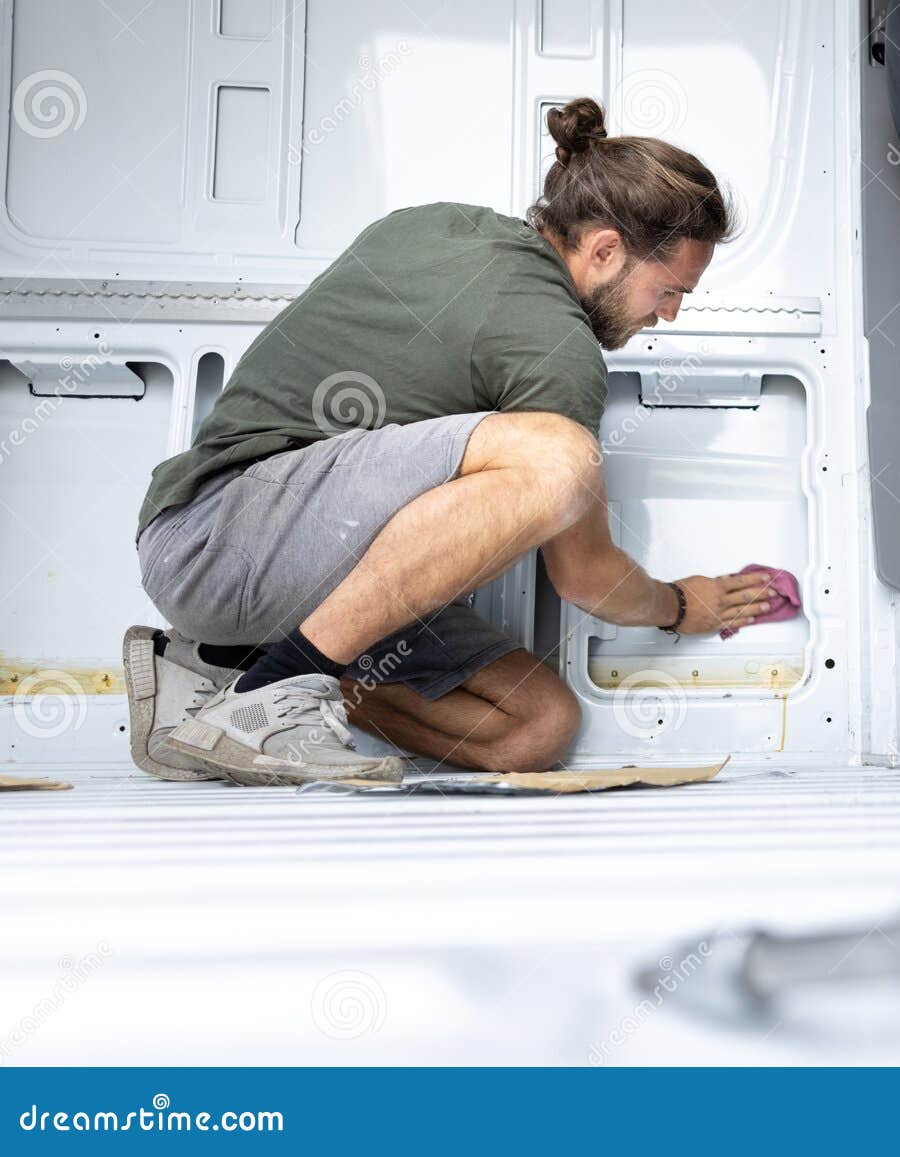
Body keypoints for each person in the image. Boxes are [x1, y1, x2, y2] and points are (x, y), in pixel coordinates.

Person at [125, 98, 775, 786]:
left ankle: (218, 677)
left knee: (536, 728)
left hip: (290, 564)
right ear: (606, 249)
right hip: (219, 535)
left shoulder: (437, 224)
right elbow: (583, 574)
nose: (668, 314)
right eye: (669, 289)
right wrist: (680, 605)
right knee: (561, 458)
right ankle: (273, 695)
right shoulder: (556, 342)